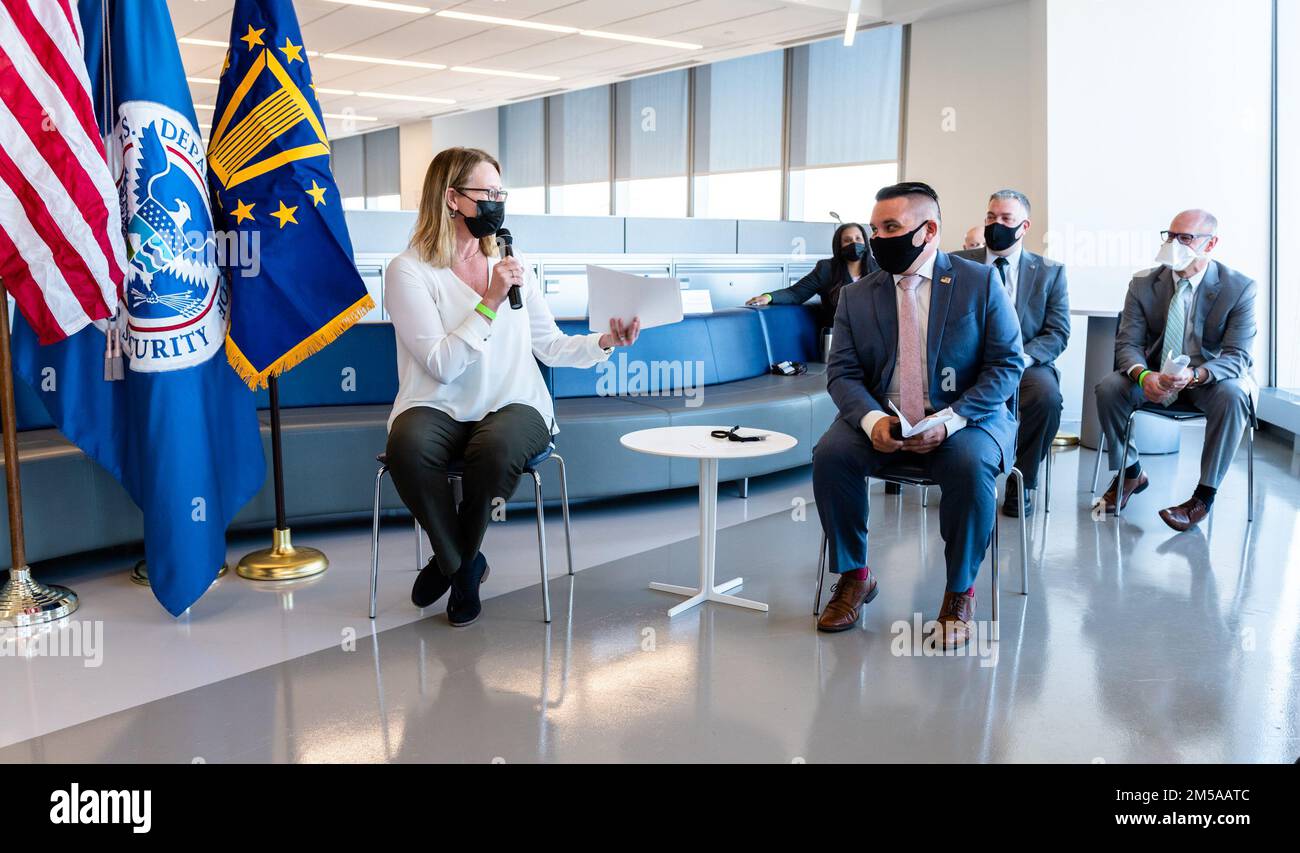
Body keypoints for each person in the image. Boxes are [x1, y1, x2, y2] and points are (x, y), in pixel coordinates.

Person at [383, 147, 641, 627]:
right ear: (452, 198)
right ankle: (467, 567)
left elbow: (551, 345)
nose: (497, 203)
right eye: (487, 193)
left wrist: (606, 341)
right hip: (436, 402)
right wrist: (488, 301)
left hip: (513, 400)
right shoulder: (408, 270)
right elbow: (441, 365)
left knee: (497, 450)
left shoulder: (510, 258)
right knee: (407, 447)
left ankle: (451, 562)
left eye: (501, 193)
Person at [812, 181, 1024, 647]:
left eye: (891, 227)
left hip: (967, 419)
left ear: (928, 230)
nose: (876, 239)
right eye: (873, 229)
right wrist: (872, 421)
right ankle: (855, 575)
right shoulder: (858, 294)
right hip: (883, 418)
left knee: (968, 465)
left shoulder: (980, 282)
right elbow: (842, 372)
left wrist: (949, 420)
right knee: (831, 454)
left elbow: (1008, 365)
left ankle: (959, 592)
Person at [1093, 209, 1256, 531]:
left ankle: (1203, 497)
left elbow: (1238, 356)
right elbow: (1127, 343)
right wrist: (1143, 375)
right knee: (1109, 387)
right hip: (1155, 377)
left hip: (1208, 381)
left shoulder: (1239, 287)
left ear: (1210, 245)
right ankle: (1131, 474)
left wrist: (1196, 376)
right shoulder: (1143, 283)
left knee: (1235, 393)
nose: (1173, 243)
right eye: (1169, 235)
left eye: (1185, 238)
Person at [954, 190, 1070, 516]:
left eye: (1006, 219)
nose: (996, 225)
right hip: (968, 362)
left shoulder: (1050, 271)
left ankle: (1023, 481)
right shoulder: (959, 263)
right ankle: (965, 472)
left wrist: (1023, 359)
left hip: (1025, 363)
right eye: (991, 217)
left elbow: (1058, 333)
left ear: (1024, 226)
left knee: (1047, 397)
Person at [745, 222, 879, 327]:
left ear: (865, 243)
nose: (854, 243)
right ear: (839, 246)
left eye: (858, 239)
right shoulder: (826, 269)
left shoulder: (880, 270)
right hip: (839, 341)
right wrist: (768, 297)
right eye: (848, 240)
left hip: (875, 339)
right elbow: (796, 293)